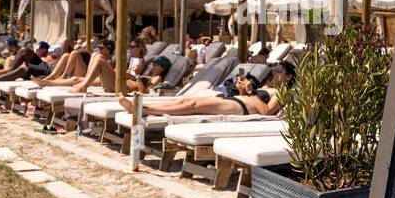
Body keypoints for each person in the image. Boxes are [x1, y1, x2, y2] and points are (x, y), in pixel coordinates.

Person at [123, 63, 293, 117]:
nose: (275, 74)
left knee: (193, 105)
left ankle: (144, 110)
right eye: (275, 71)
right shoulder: (267, 87)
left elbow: (267, 111)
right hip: (234, 100)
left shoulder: (282, 93)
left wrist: (250, 92)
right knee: (187, 100)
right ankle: (142, 106)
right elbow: (250, 97)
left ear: (289, 77)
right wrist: (242, 89)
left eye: (280, 72)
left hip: (240, 108)